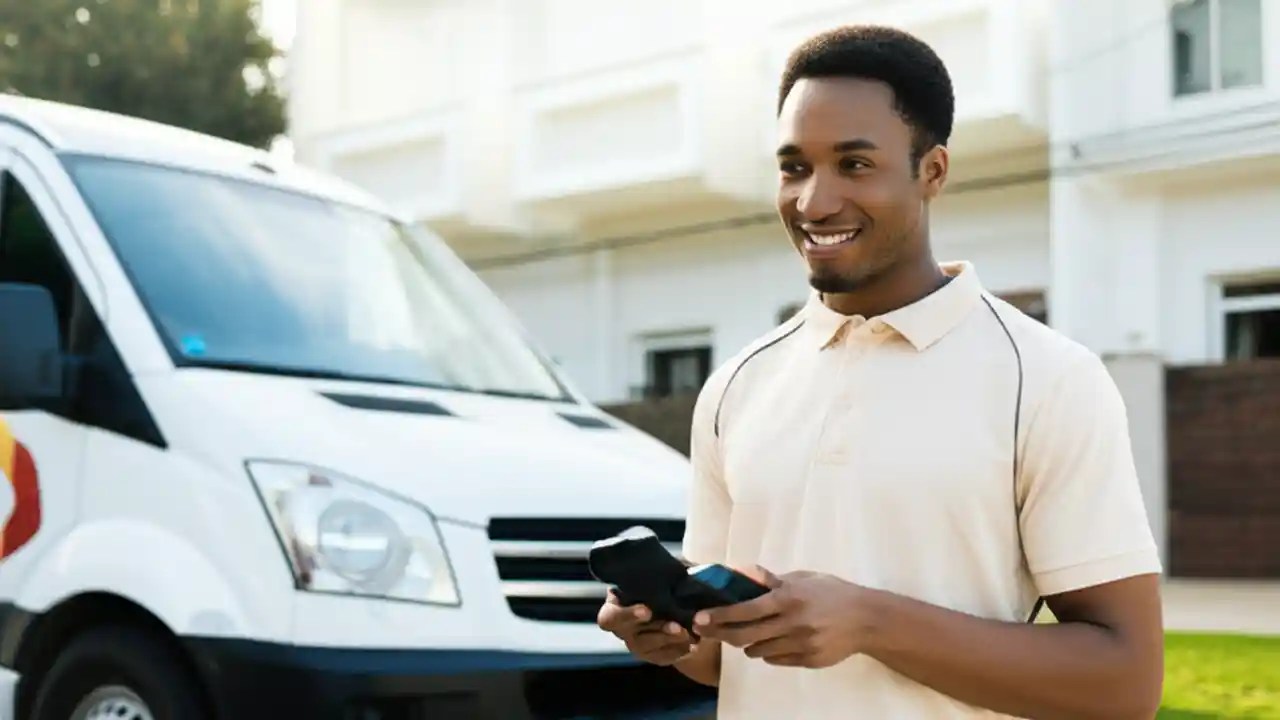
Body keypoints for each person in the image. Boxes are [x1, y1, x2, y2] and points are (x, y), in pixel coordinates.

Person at [596, 24, 1164, 720]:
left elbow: (1124, 684)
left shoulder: (1048, 379)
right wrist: (670, 634)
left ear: (933, 171)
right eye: (794, 167)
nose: (813, 202)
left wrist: (870, 622)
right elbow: (720, 659)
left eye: (855, 164)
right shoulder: (738, 383)